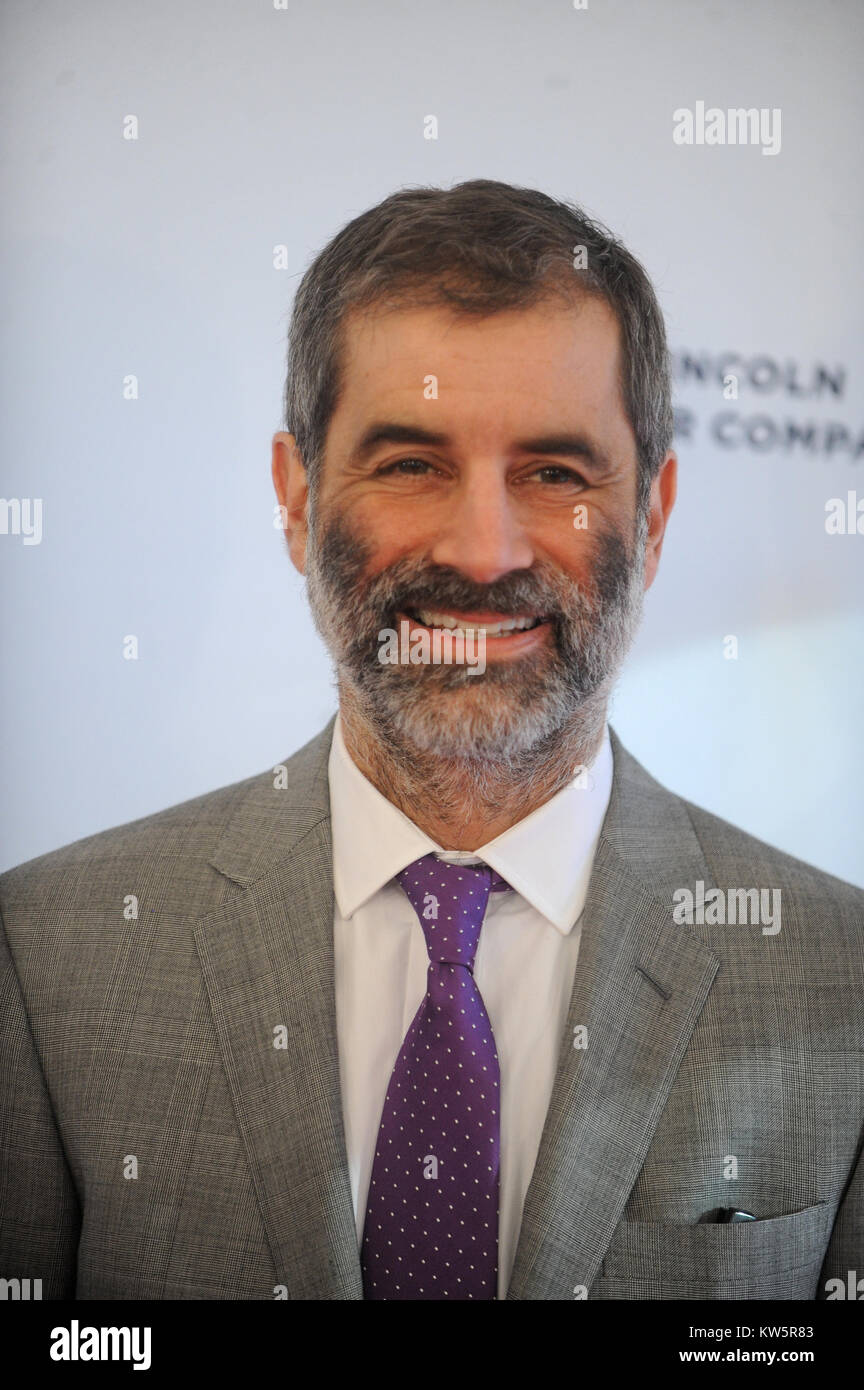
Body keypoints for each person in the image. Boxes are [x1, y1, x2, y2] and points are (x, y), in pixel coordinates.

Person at [1, 180, 861, 1301]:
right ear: (298, 497)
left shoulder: (841, 980)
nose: (484, 547)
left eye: (554, 472)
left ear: (650, 520)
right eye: (412, 463)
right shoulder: (48, 953)